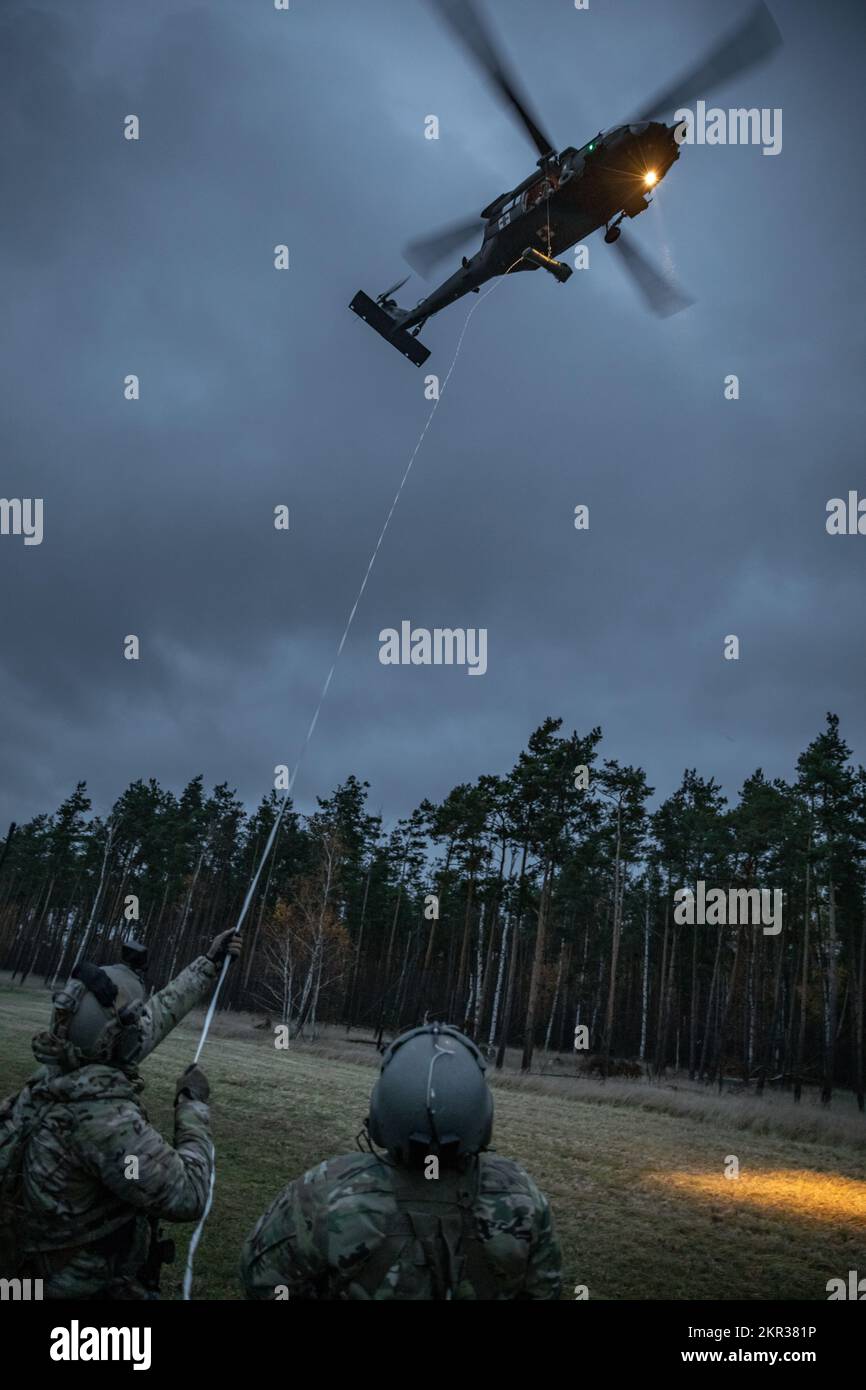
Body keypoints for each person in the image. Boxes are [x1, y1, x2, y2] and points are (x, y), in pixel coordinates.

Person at [241, 1022, 561, 1300]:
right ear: (482, 1116)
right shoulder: (521, 1198)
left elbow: (260, 1279)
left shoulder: (328, 1191)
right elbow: (545, 1290)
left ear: (382, 1111)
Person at [8, 928, 241, 1299]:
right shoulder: (106, 1122)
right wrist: (192, 1107)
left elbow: (157, 1015)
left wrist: (208, 964)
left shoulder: (58, 1076)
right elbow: (189, 1194)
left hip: (25, 1280)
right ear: (119, 1039)